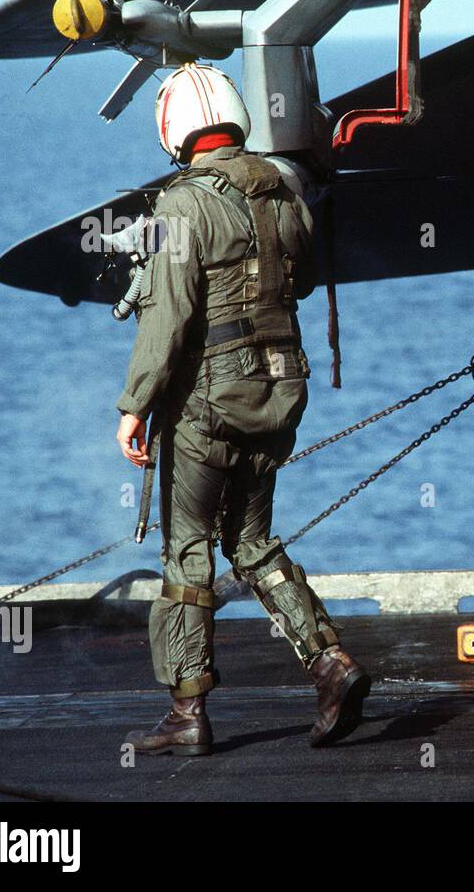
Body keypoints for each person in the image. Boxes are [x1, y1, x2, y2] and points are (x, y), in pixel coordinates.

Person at [116, 63, 370, 754]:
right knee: (252, 541)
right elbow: (303, 281)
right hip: (280, 390)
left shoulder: (180, 206)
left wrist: (135, 405)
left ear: (175, 130)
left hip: (209, 403)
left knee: (189, 549)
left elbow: (167, 318)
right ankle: (329, 661)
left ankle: (187, 713)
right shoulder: (286, 195)